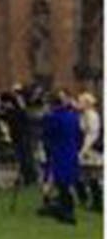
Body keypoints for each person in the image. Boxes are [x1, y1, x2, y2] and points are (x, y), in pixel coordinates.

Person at [39, 91, 81, 225]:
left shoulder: (54, 117)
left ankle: (67, 212)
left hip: (59, 152)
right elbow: (78, 134)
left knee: (62, 183)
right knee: (66, 182)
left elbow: (47, 134)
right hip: (71, 151)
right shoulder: (72, 116)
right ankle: (64, 209)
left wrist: (45, 116)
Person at [78, 92, 103, 212]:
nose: (79, 104)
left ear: (87, 103)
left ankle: (97, 202)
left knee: (93, 175)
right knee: (86, 175)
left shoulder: (92, 115)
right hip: (86, 145)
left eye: (81, 102)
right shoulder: (84, 115)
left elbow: (93, 133)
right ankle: (90, 200)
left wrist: (85, 149)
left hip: (91, 147)